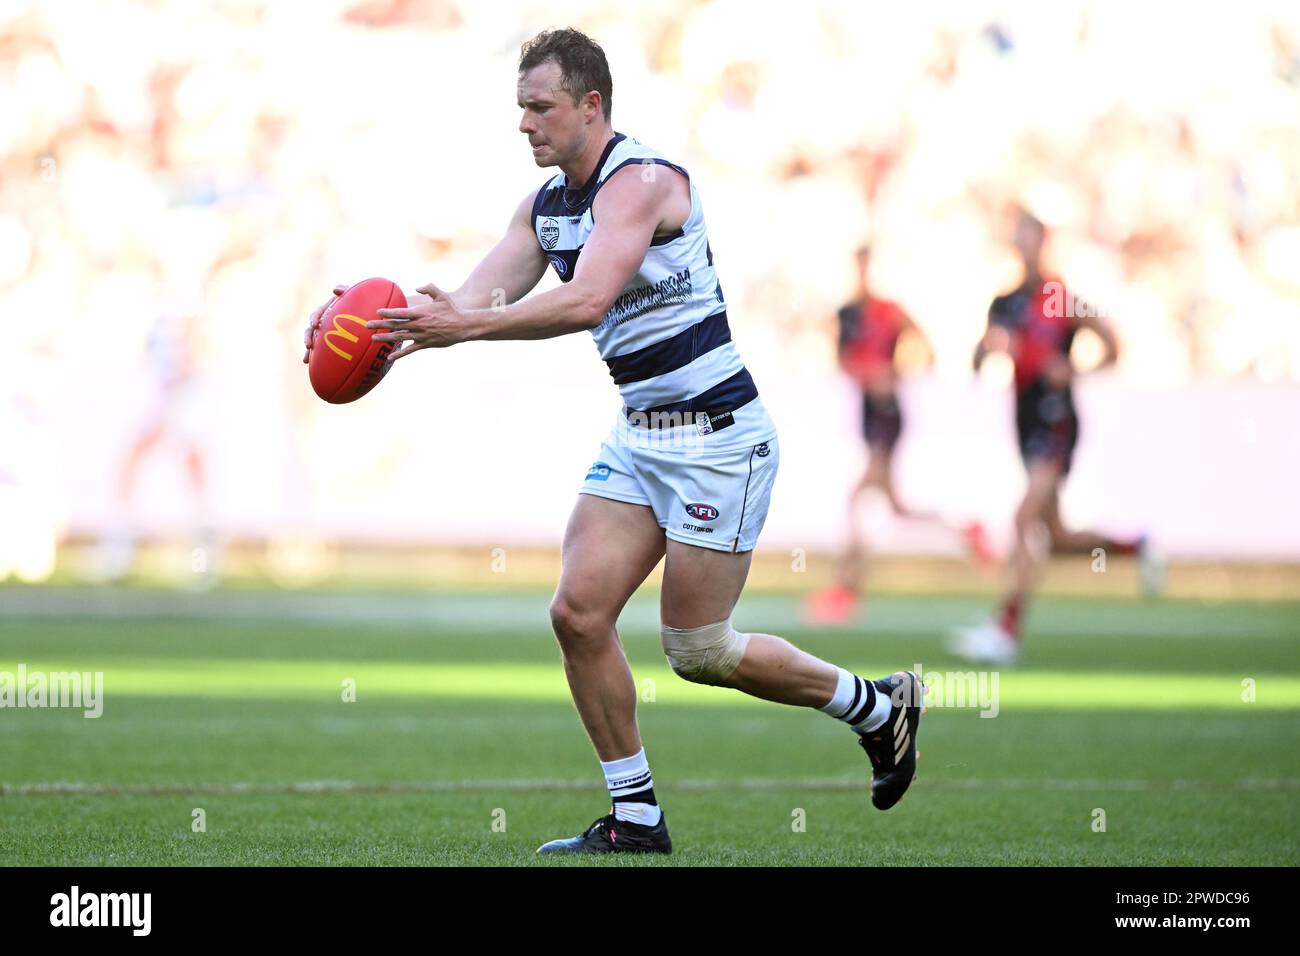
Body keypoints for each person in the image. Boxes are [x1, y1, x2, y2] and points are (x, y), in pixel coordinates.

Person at [303, 29, 925, 854]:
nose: (525, 124)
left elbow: (587, 300)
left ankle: (877, 708)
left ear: (591, 105)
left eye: (540, 107)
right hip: (639, 436)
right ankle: (637, 818)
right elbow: (475, 297)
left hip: (716, 439)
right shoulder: (543, 208)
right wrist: (389, 322)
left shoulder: (641, 183)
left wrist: (464, 324)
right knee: (577, 612)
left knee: (698, 651)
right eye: (520, 108)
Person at [950, 208, 1159, 665]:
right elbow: (980, 358)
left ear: (1041, 241)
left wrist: (1075, 369)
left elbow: (1111, 343)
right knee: (1057, 535)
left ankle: (1005, 629)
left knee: (1024, 518)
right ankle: (1134, 547)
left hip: (1056, 418)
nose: (1022, 242)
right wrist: (986, 350)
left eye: (1029, 234)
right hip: (1024, 419)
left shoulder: (1060, 297)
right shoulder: (1003, 302)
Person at [805, 245, 992, 624]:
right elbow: (843, 362)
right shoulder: (848, 314)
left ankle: (846, 587)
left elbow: (923, 344)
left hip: (888, 415)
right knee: (897, 507)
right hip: (870, 413)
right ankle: (965, 528)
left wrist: (898, 370)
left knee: (858, 497)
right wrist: (868, 373)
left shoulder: (889, 310)